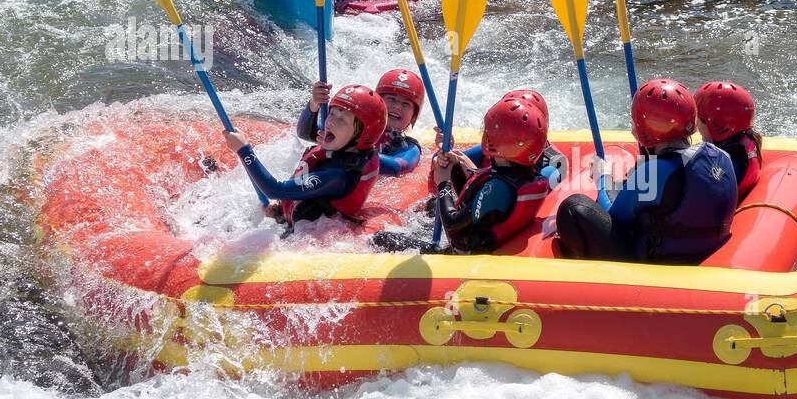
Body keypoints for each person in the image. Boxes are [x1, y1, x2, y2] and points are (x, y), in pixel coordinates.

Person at [555, 78, 737, 263]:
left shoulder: (655, 172)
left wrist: (603, 176)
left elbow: (612, 216)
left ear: (644, 130)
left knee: (574, 206)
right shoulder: (721, 155)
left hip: (660, 265)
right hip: (706, 254)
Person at [225, 84, 387, 228]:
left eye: (342, 120)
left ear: (362, 135)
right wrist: (281, 207)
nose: (330, 122)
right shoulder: (338, 144)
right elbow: (304, 132)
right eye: (332, 113)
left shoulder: (338, 175)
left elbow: (274, 189)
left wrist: (244, 150)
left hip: (317, 242)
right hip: (298, 226)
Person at [428, 98, 552, 254]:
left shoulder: (498, 189)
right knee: (431, 206)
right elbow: (475, 204)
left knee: (388, 238)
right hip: (486, 237)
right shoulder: (527, 176)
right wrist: (455, 168)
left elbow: (453, 226)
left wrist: (443, 184)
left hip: (465, 257)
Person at [300, 69, 424, 177]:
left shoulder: (408, 147)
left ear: (413, 116)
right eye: (391, 99)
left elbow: (398, 167)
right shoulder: (355, 128)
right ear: (378, 103)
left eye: (405, 104)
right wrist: (314, 103)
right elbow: (305, 133)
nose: (397, 106)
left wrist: (348, 149)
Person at [694, 81, 762, 200]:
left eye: (698, 118)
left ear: (712, 124)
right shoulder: (747, 141)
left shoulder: (724, 162)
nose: (696, 124)